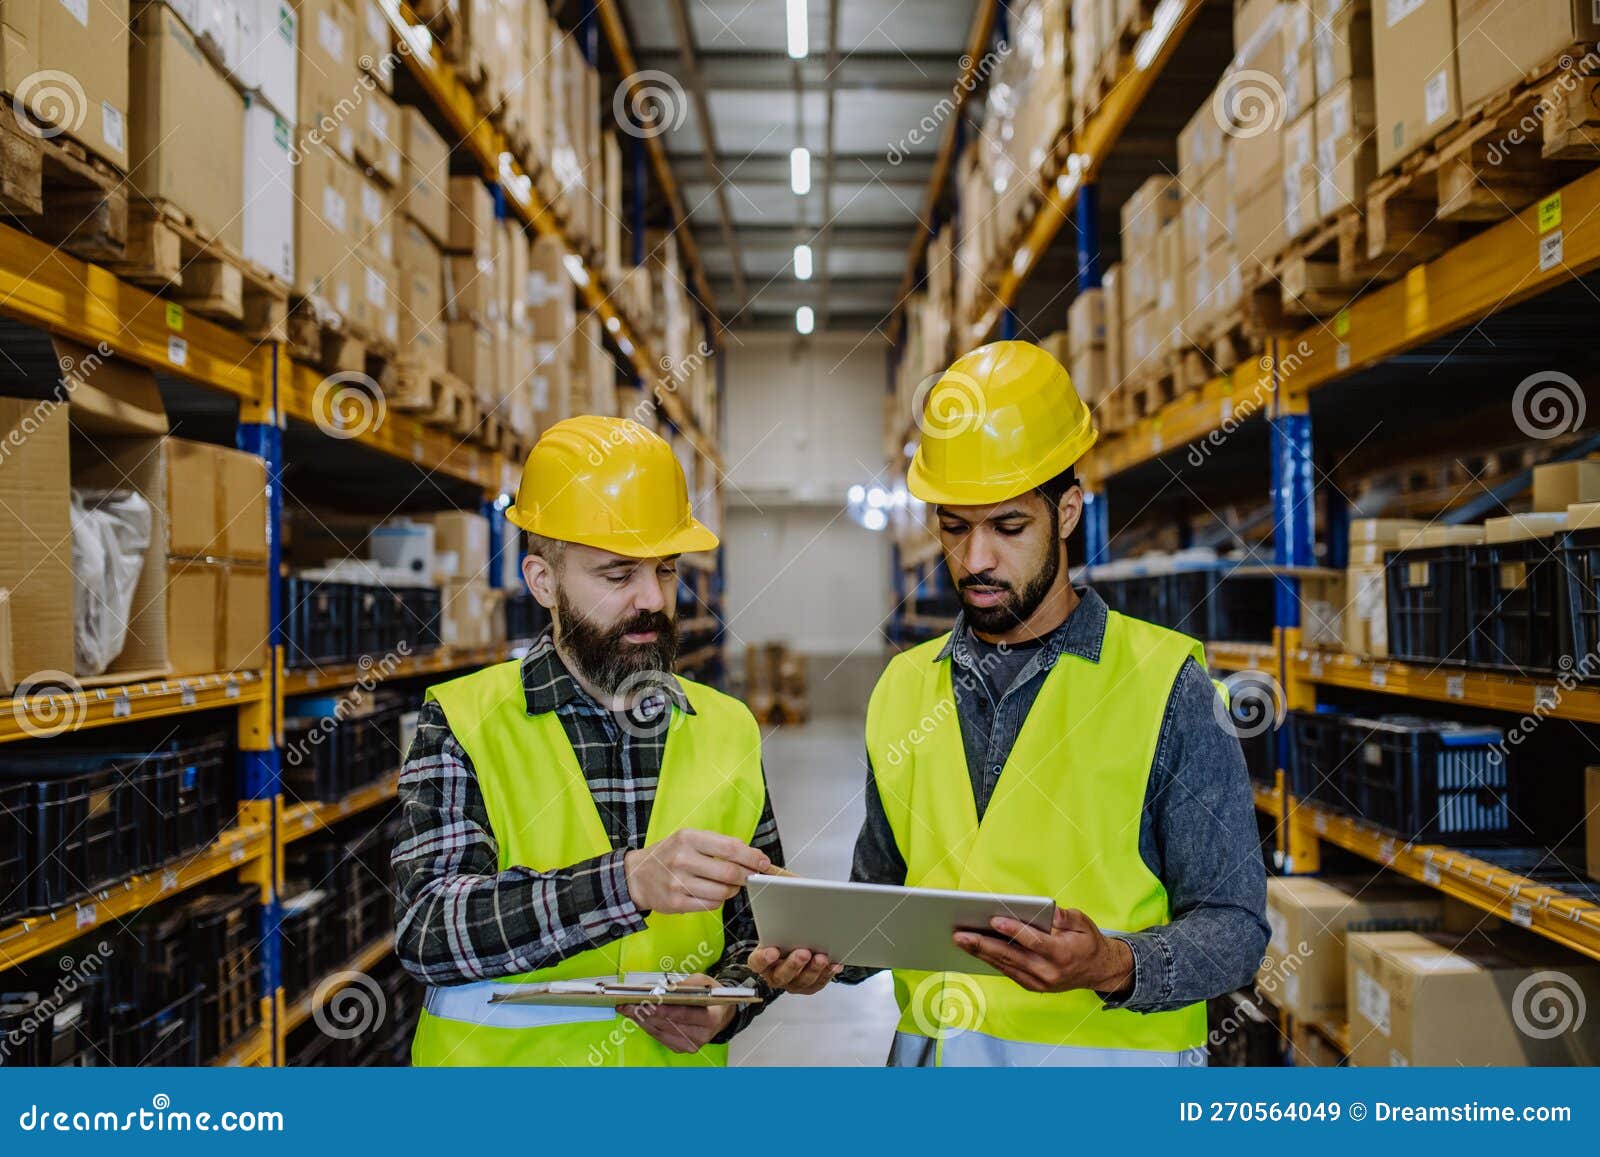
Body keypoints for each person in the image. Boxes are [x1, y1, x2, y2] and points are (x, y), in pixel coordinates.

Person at [749, 341, 1268, 1066]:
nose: (976, 560)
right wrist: (824, 949)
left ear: (1067, 512)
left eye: (1007, 527)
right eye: (955, 528)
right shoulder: (904, 689)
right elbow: (886, 903)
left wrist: (1114, 962)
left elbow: (1236, 925)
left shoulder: (1165, 683)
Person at [396, 415, 784, 1066]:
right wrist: (627, 883)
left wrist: (728, 1000)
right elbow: (428, 929)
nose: (652, 598)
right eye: (617, 574)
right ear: (543, 581)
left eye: (665, 569)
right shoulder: (464, 719)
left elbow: (756, 931)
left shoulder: (726, 726)